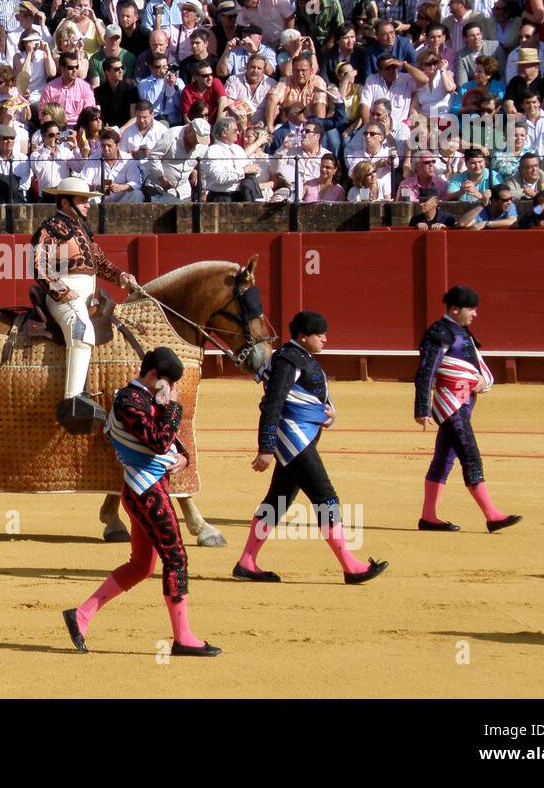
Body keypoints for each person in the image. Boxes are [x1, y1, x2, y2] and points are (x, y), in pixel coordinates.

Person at [63, 346, 220, 658]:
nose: (173, 390)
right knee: (175, 558)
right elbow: (159, 439)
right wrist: (174, 407)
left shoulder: (145, 398)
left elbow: (169, 442)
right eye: (170, 383)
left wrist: (183, 458)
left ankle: (81, 615)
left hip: (146, 489)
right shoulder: (129, 400)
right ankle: (183, 637)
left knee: (141, 565)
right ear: (153, 376)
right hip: (144, 491)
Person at [234, 310, 388, 584]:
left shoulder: (299, 357)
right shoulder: (288, 360)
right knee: (326, 497)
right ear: (304, 337)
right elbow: (273, 403)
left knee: (278, 500)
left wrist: (329, 414)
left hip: (299, 437)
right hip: (293, 440)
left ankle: (247, 562)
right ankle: (350, 565)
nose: (325, 339)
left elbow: (313, 397)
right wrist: (266, 447)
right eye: (320, 334)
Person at [31, 175, 138, 433]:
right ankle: (73, 400)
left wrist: (121, 276)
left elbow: (100, 263)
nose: (89, 205)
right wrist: (60, 290)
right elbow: (39, 265)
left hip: (86, 295)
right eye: (83, 200)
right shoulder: (50, 228)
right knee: (82, 331)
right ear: (66, 203)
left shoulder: (82, 230)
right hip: (64, 294)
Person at [414, 286, 522, 533]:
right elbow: (426, 371)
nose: (475, 314)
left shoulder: (461, 332)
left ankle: (428, 517)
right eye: (471, 309)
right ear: (454, 309)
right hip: (450, 404)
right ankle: (492, 515)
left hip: (463, 401)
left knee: (444, 458)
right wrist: (422, 407)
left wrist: (483, 381)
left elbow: (473, 366)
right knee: (470, 455)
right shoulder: (439, 333)